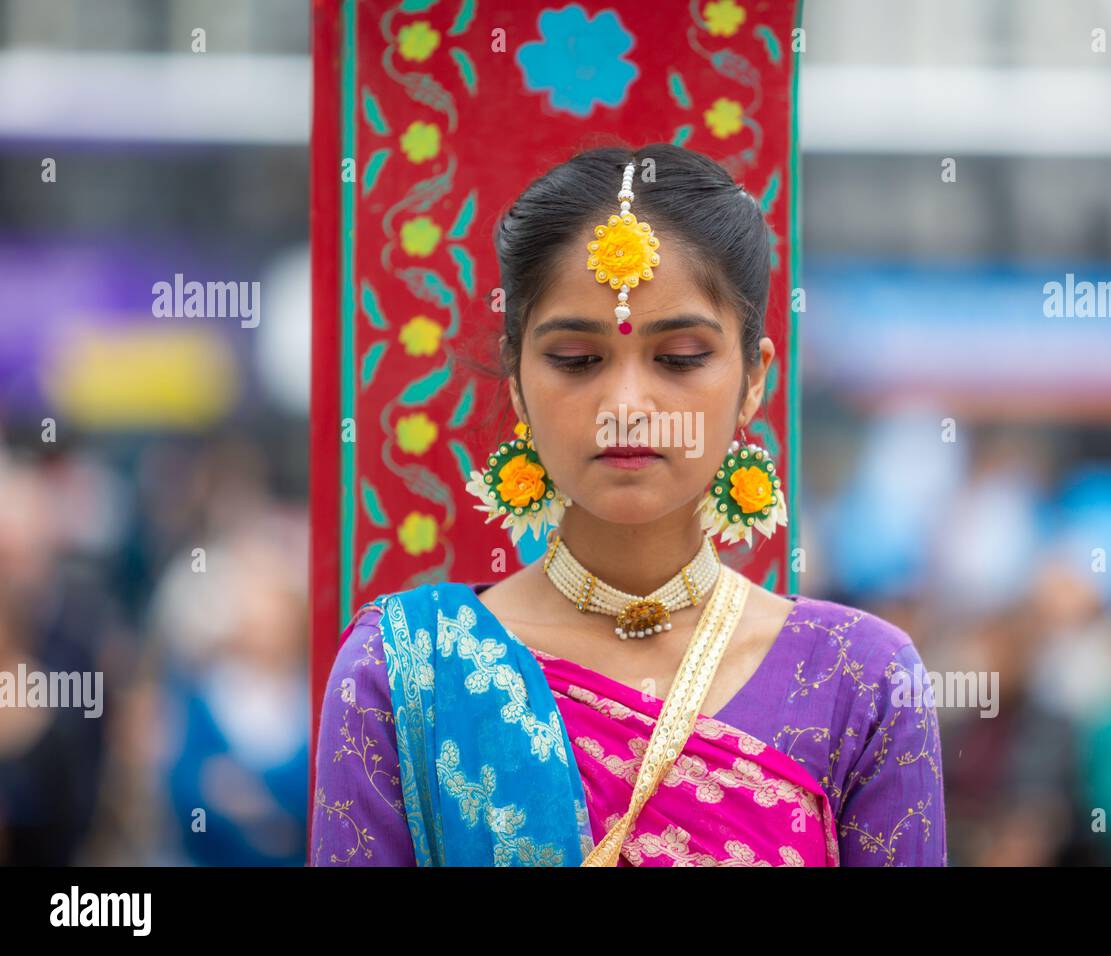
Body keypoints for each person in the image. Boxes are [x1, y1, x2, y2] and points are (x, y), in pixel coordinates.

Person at [311, 144, 946, 867]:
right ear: (517, 381)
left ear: (754, 379)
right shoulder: (401, 673)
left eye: (679, 358)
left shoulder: (861, 682)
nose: (625, 407)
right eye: (577, 361)